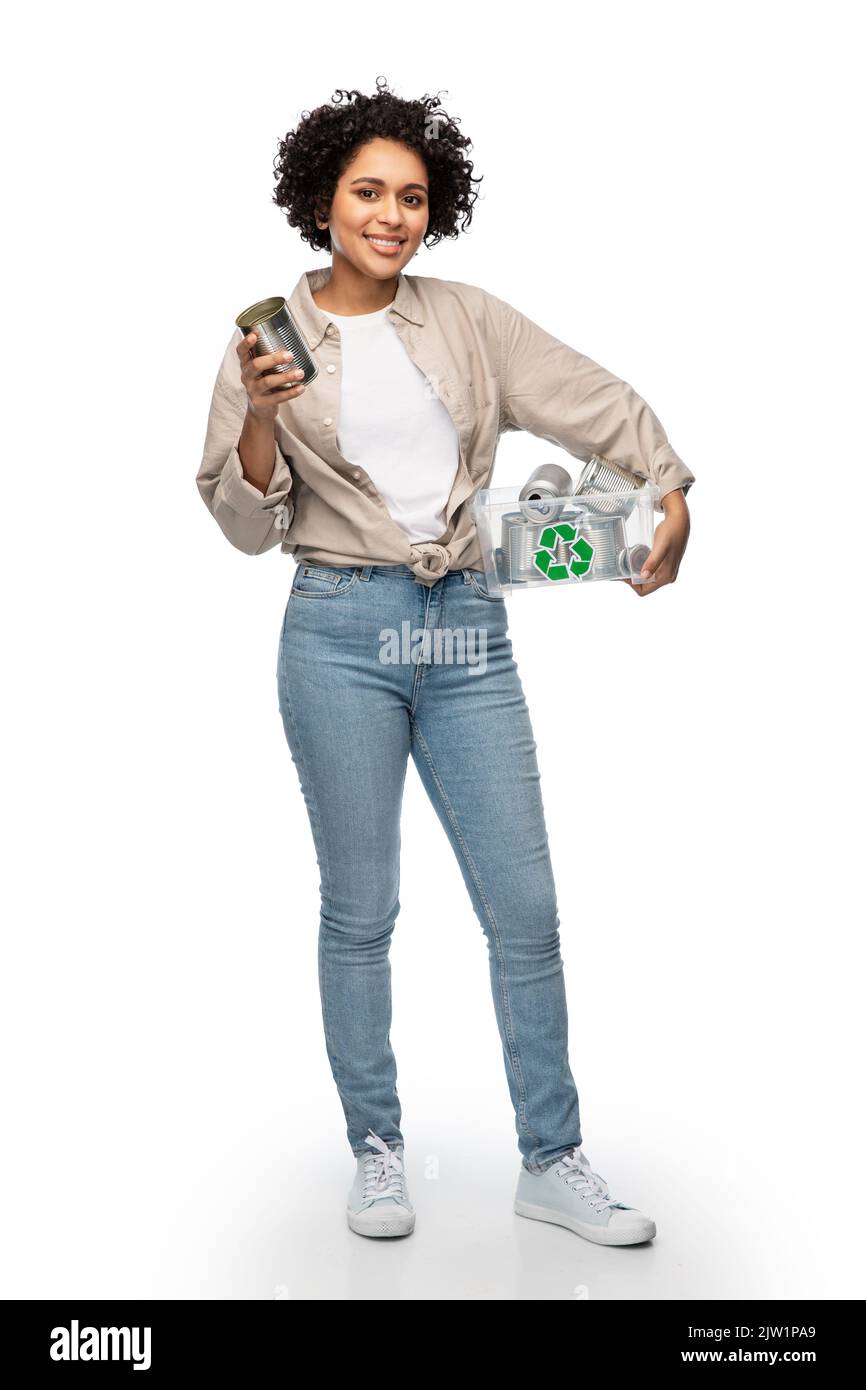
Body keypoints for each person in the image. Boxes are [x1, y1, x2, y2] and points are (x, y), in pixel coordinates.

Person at [196, 77, 695, 1245]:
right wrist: (263, 416)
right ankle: (376, 1149)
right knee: (360, 910)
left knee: (524, 911)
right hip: (336, 633)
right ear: (321, 198)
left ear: (434, 211)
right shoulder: (265, 339)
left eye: (411, 196)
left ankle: (551, 1156)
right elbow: (239, 521)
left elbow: (585, 397)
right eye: (367, 191)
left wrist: (670, 484)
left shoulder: (465, 318)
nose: (390, 214)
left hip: (466, 633)